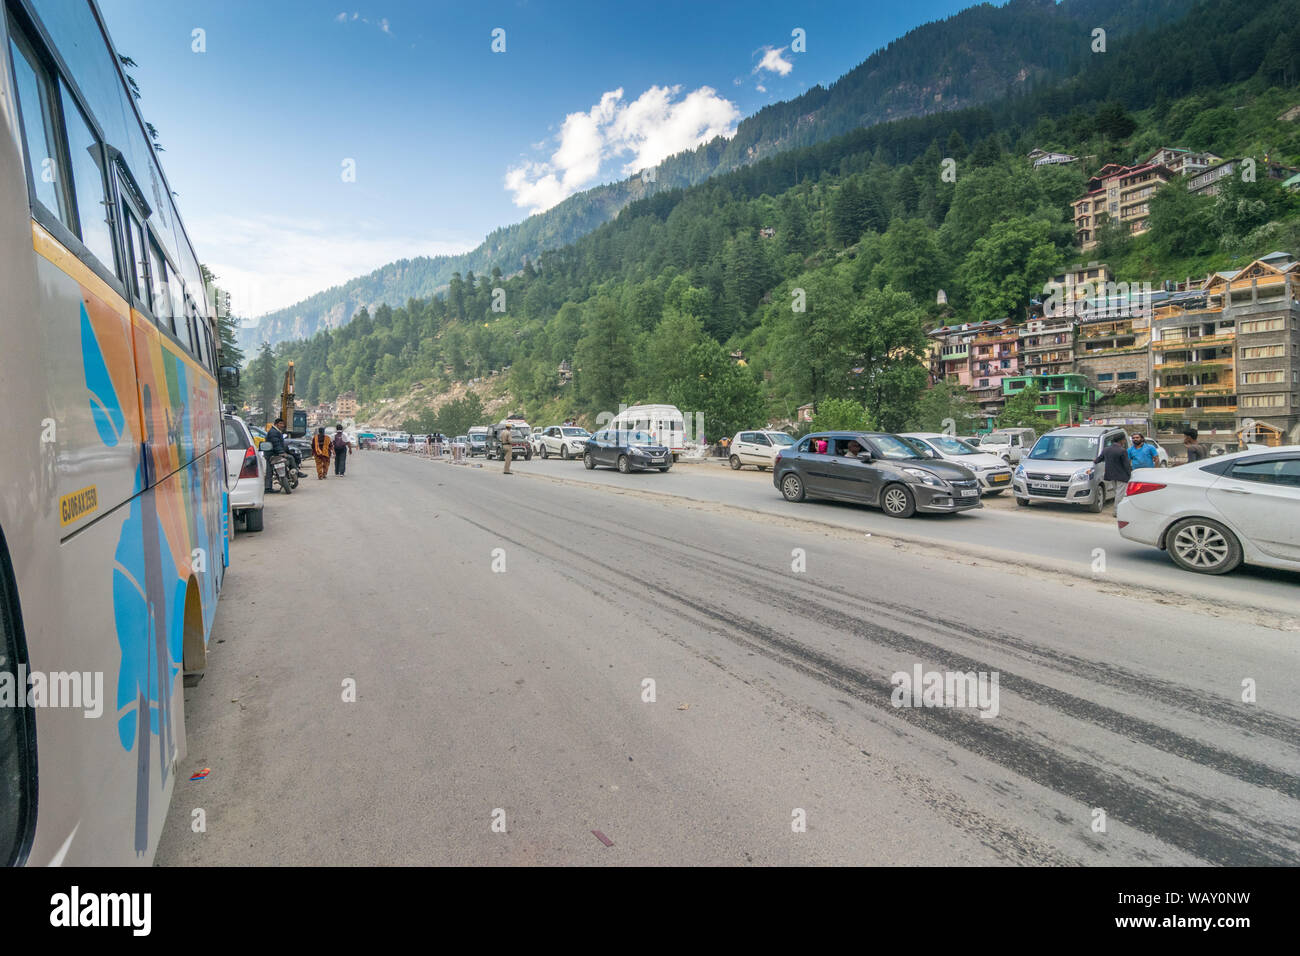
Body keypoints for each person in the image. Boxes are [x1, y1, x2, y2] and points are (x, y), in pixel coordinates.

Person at [1094, 432, 1131, 514]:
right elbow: (1126, 465)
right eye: (1124, 440)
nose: (1124, 441)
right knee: (1119, 494)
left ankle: (1118, 510)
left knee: (1117, 493)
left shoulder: (1106, 449)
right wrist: (1129, 475)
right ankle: (1117, 512)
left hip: (1111, 475)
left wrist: (1093, 462)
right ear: (1121, 440)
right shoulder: (1122, 450)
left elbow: (1098, 459)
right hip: (1122, 476)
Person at [263, 417, 288, 492]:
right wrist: (282, 452)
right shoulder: (274, 432)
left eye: (283, 424)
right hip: (273, 454)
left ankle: (268, 487)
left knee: (269, 471)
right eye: (280, 423)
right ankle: (296, 471)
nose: (282, 425)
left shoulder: (276, 431)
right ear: (276, 424)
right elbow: (276, 444)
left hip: (272, 453)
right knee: (291, 458)